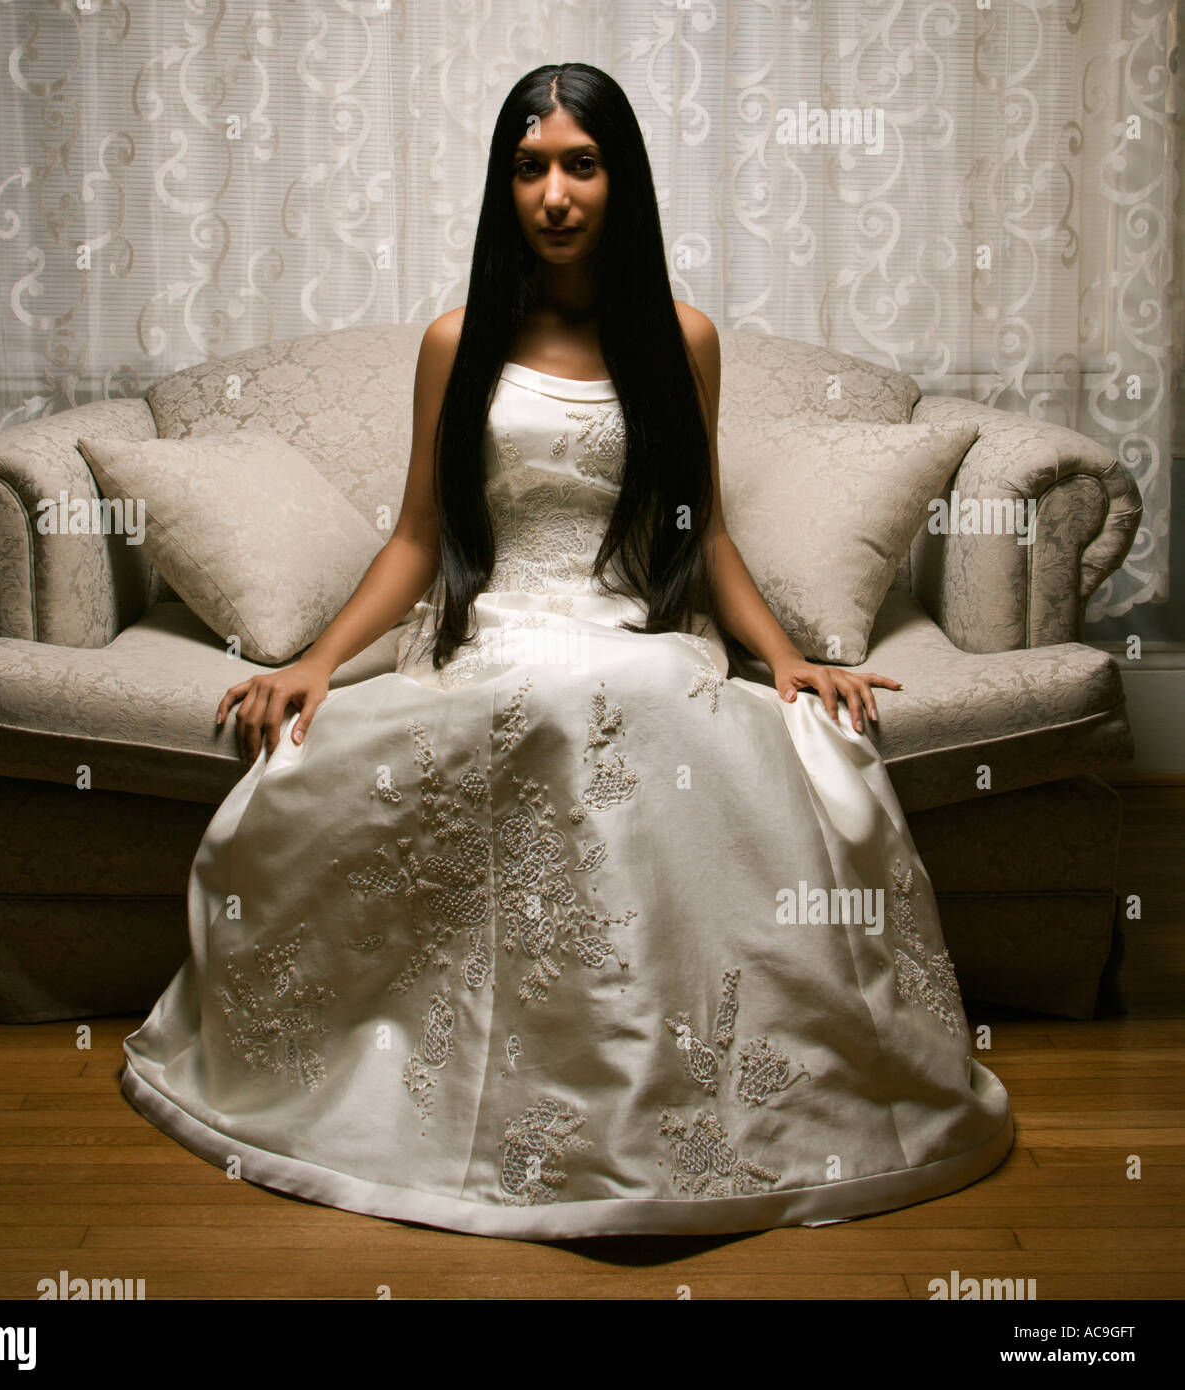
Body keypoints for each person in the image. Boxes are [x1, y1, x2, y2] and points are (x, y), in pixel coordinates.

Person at [121, 62, 1013, 1240]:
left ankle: (657, 1106)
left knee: (642, 703)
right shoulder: (458, 342)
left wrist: (787, 656)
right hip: (495, 639)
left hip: (633, 636)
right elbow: (416, 539)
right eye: (530, 167)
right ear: (505, 187)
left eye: (579, 165)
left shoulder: (680, 339)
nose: (554, 192)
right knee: (539, 702)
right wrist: (317, 663)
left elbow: (704, 530)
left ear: (619, 179)